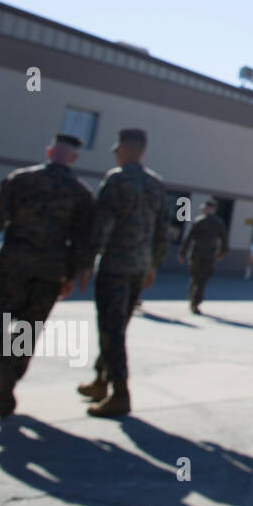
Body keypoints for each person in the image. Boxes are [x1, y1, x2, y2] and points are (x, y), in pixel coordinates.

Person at [0, 134, 95, 419]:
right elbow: (81, 240)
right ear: (73, 158)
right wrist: (73, 275)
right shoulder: (80, 192)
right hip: (50, 271)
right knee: (27, 329)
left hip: (11, 266)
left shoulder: (20, 179)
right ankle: (6, 380)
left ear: (49, 152)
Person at [80, 128, 169, 418]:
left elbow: (100, 223)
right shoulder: (156, 183)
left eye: (119, 148)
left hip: (116, 266)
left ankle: (120, 394)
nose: (116, 152)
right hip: (138, 267)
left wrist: (85, 261)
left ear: (128, 150)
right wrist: (153, 264)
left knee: (111, 328)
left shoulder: (116, 179)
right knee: (118, 326)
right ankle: (100, 380)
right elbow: (162, 229)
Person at [177, 197, 228, 314]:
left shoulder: (199, 221)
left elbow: (188, 239)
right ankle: (196, 301)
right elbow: (224, 241)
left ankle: (192, 299)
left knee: (195, 278)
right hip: (209, 255)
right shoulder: (218, 223)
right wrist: (221, 253)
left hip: (197, 255)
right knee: (202, 280)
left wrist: (182, 253)